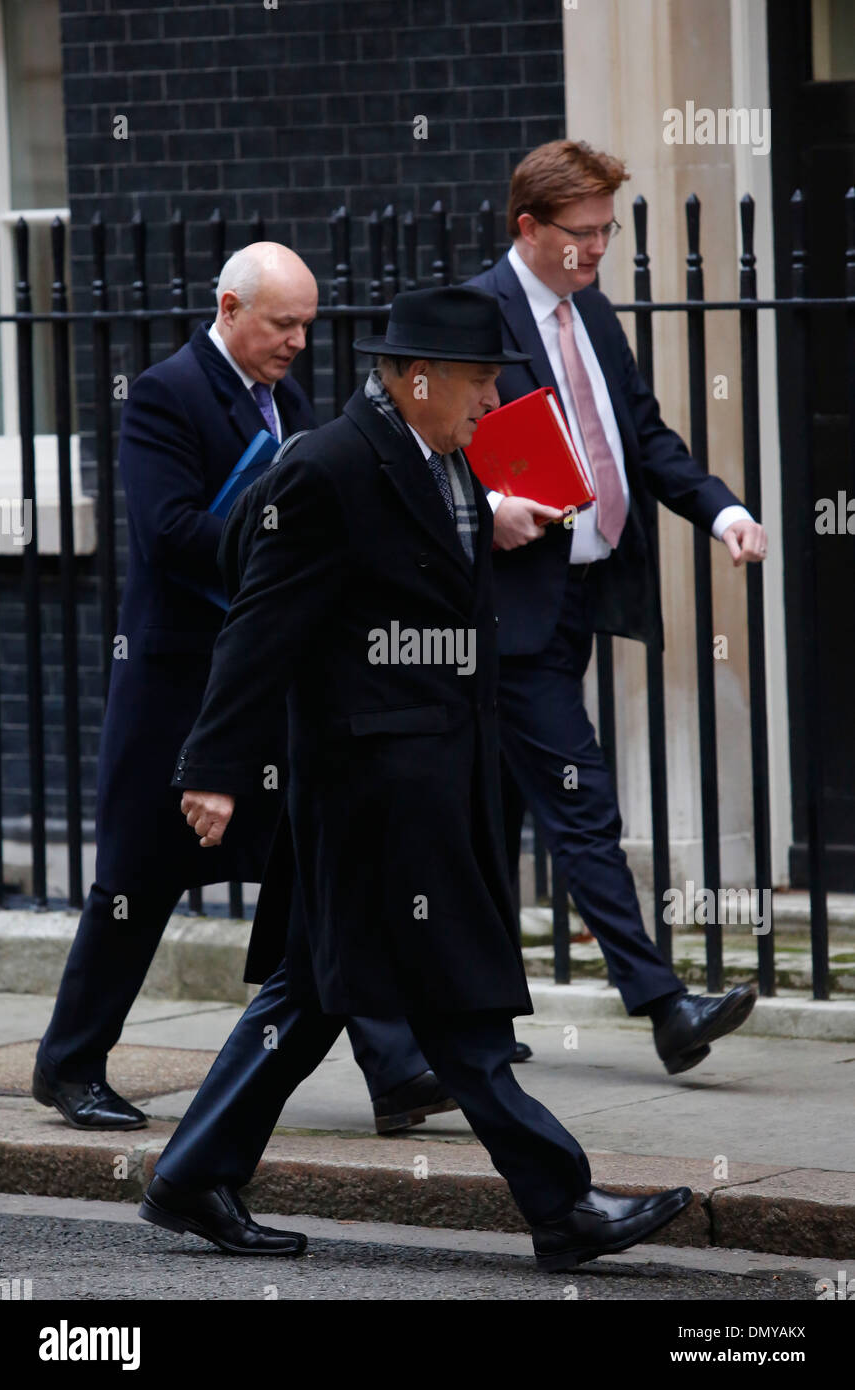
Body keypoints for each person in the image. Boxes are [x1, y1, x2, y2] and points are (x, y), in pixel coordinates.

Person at [137, 286, 692, 1273]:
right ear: (417, 376)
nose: (490, 403)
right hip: (371, 789)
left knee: (308, 992)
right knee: (458, 1011)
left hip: (430, 776)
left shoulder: (442, 462)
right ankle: (560, 1203)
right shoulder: (330, 467)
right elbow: (258, 626)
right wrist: (214, 768)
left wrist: (497, 521)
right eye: (478, 381)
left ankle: (191, 1173)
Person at [33, 243, 451, 1137]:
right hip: (180, 689)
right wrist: (282, 527)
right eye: (283, 323)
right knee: (136, 884)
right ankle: (69, 1067)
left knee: (323, 869)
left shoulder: (290, 402)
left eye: (307, 324)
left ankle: (395, 1064)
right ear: (229, 308)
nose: (300, 341)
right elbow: (167, 532)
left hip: (269, 685)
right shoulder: (165, 394)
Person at [468, 141, 764, 1074]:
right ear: (529, 228)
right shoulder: (477, 312)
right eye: (581, 234)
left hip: (578, 600)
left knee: (496, 817)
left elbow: (640, 435)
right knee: (581, 802)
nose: (597, 249)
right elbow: (411, 441)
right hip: (507, 615)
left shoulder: (589, 312)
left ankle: (467, 1025)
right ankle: (665, 1006)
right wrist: (488, 507)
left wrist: (723, 510)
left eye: (606, 231)